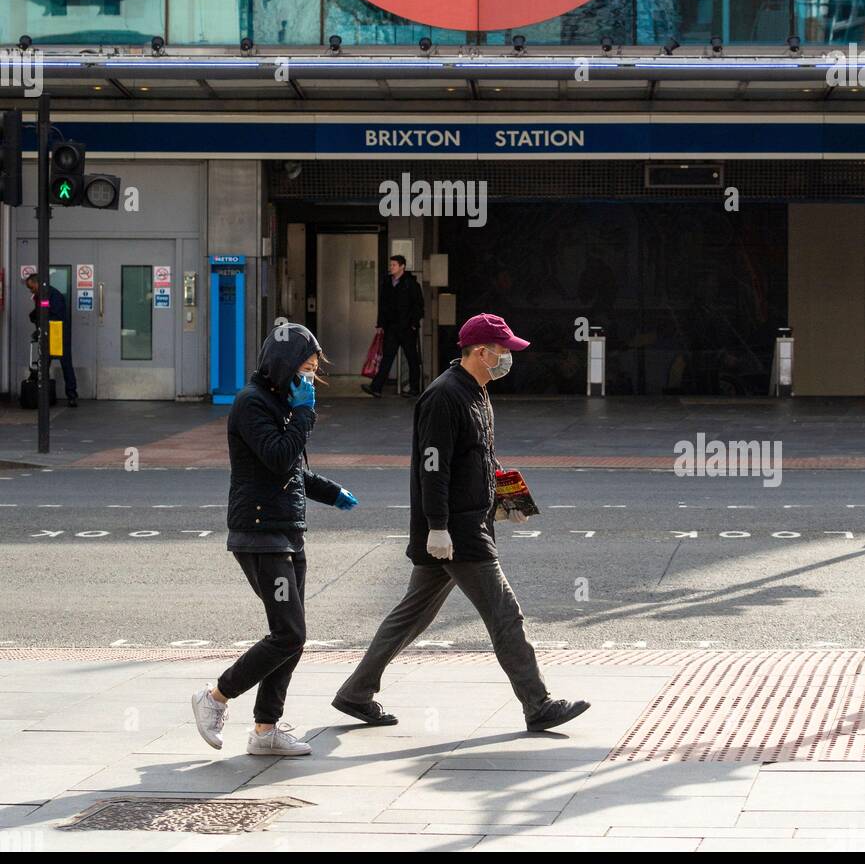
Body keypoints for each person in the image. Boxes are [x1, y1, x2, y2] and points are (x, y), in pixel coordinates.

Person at [335, 313, 590, 733]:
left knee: (410, 616)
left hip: (470, 524)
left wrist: (509, 499)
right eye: (503, 350)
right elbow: (433, 469)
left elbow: (482, 458)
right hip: (457, 531)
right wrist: (437, 527)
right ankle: (538, 704)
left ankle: (355, 693)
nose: (508, 357)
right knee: (505, 613)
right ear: (480, 351)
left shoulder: (477, 391)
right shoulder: (444, 396)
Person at [192, 322, 359, 756]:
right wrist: (303, 413)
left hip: (287, 532)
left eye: (314, 370)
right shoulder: (252, 404)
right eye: (304, 368)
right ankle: (214, 698)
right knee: (288, 633)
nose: (310, 377)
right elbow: (278, 456)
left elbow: (293, 471)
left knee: (290, 635)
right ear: (282, 365)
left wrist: (329, 492)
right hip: (261, 534)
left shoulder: (281, 401)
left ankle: (266, 730)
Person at [362, 254, 424, 398]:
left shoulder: (411, 284)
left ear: (402, 266)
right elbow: (383, 306)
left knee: (412, 358)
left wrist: (414, 324)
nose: (391, 268)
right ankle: (376, 387)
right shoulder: (387, 283)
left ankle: (414, 388)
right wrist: (380, 324)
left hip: (407, 328)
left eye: (394, 265)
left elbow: (418, 306)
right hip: (392, 328)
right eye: (391, 265)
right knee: (387, 357)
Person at [24, 273, 77, 407]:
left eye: (31, 287)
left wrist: (41, 326)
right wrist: (34, 315)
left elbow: (55, 315)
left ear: (37, 283)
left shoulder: (54, 295)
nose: (31, 290)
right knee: (44, 364)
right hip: (46, 333)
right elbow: (42, 311)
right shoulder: (40, 296)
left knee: (65, 364)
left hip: (58, 334)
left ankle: (72, 395)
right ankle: (43, 395)